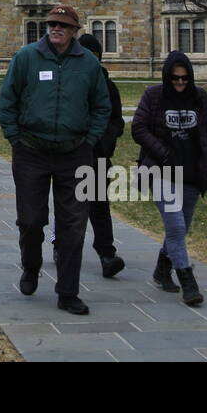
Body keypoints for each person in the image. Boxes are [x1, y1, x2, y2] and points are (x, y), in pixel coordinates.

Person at [0, 5, 110, 316]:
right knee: (31, 220)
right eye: (52, 24)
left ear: (75, 30)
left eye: (63, 25)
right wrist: (14, 137)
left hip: (74, 155)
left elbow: (102, 106)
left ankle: (68, 291)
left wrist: (90, 139)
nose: (56, 29)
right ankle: (31, 266)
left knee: (73, 226)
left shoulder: (88, 64)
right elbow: (7, 98)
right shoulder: (27, 58)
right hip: (31, 151)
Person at [131, 50, 207, 307]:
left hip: (191, 173)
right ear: (166, 77)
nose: (180, 83)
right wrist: (163, 153)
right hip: (161, 171)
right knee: (177, 227)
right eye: (175, 78)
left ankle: (162, 269)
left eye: (184, 79)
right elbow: (138, 127)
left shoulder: (200, 97)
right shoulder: (154, 96)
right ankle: (188, 283)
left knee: (179, 229)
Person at [71, 33, 126, 277]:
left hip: (97, 155)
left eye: (93, 57)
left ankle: (106, 253)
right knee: (70, 206)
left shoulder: (108, 86)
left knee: (99, 205)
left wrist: (105, 142)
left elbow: (116, 121)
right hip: (69, 154)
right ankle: (60, 246)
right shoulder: (68, 81)